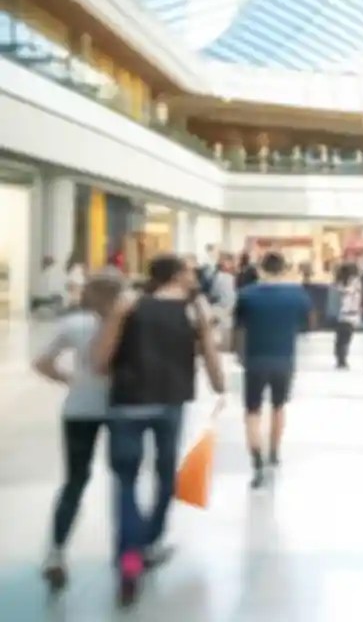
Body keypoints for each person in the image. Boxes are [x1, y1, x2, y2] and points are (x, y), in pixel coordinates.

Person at [93, 254, 227, 606]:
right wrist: (218, 382)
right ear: (179, 276)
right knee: (166, 476)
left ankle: (130, 562)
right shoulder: (193, 310)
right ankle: (148, 542)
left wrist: (118, 319)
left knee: (125, 483)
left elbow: (100, 362)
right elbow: (213, 364)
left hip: (126, 404)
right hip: (170, 404)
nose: (195, 274)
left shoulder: (131, 304)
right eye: (190, 269)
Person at [32, 272, 124, 590]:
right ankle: (129, 558)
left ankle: (56, 554)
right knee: (125, 481)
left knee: (74, 481)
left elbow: (42, 363)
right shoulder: (126, 324)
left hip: (78, 410)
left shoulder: (73, 324)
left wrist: (70, 380)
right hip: (121, 410)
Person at [233, 251, 313, 489]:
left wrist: (239, 355)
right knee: (279, 406)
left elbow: (238, 328)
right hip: (284, 359)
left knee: (252, 410)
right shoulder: (298, 294)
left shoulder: (246, 295)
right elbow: (307, 326)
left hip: (255, 359)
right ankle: (274, 451)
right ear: (285, 268)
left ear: (260, 268)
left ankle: (256, 458)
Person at [331, 262, 362, 369]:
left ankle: (340, 357)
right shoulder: (357, 284)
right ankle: (342, 358)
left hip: (341, 314)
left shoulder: (337, 284)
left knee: (341, 337)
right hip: (352, 313)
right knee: (346, 337)